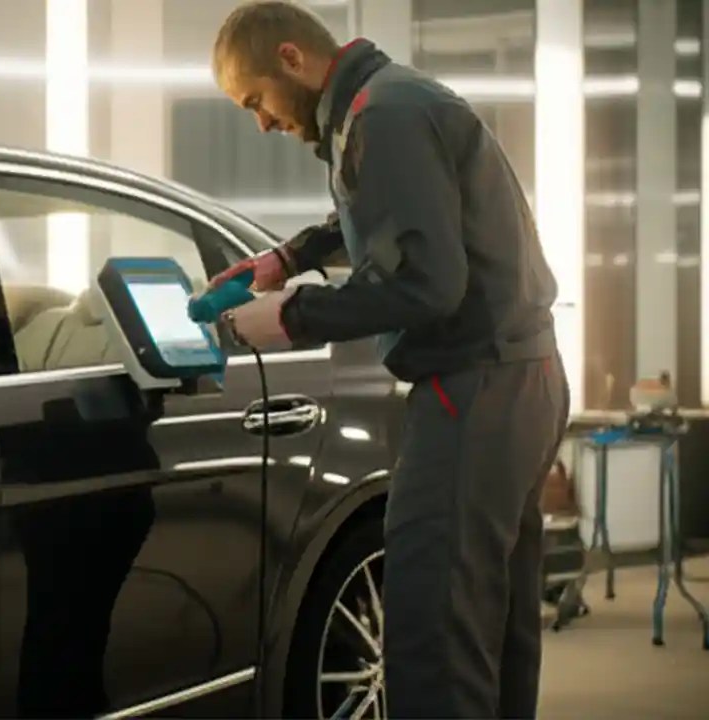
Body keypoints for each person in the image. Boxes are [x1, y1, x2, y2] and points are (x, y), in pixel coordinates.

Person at [204, 2, 570, 718]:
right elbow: (396, 217)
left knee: (436, 638)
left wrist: (291, 317)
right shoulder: (391, 100)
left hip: (471, 390)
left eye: (256, 102)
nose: (262, 124)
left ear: (291, 59)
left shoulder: (382, 118)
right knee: (493, 627)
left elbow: (427, 285)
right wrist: (290, 259)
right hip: (518, 380)